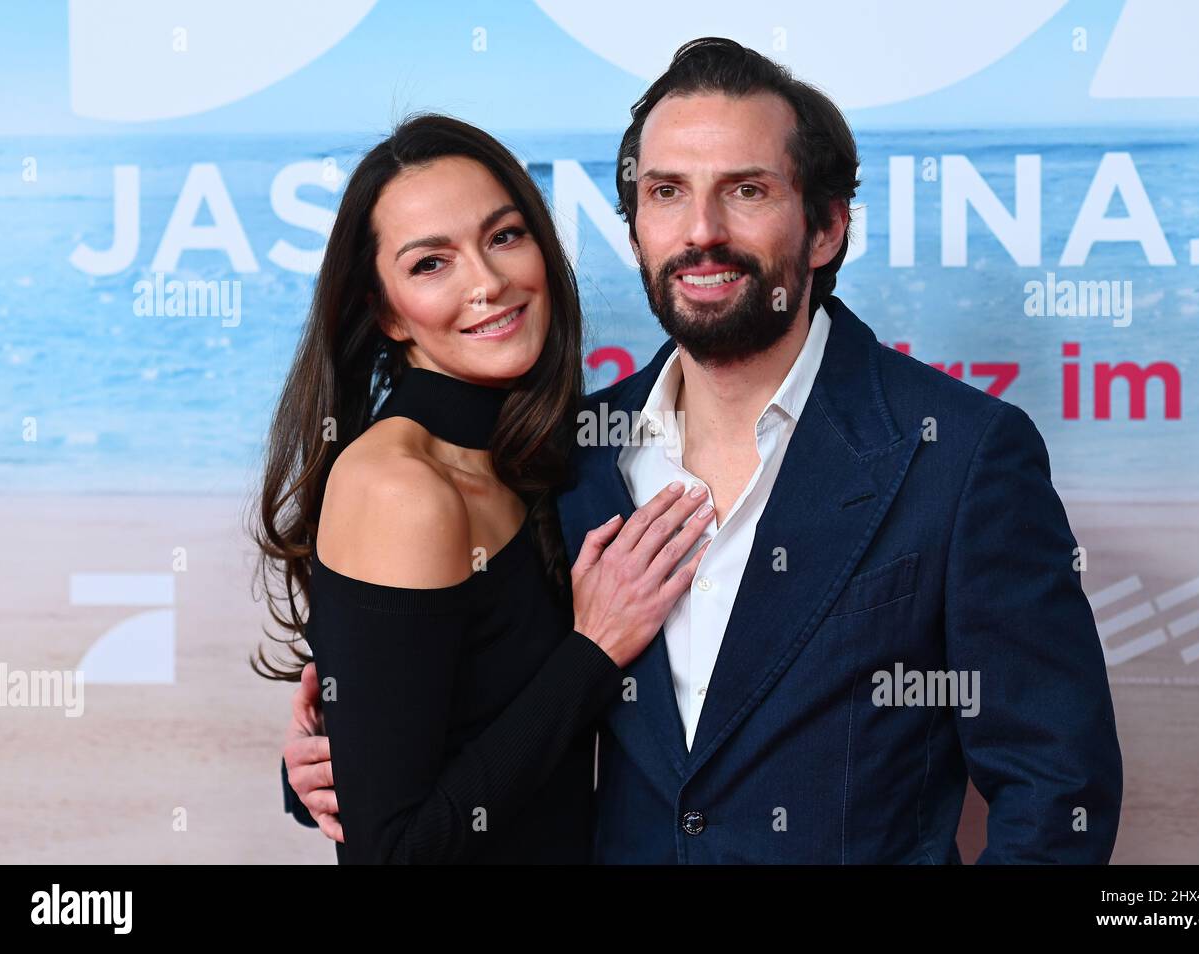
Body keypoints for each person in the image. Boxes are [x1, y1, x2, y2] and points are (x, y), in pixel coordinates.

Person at [286, 38, 1124, 864]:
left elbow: (1058, 793)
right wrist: (323, 761)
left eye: (747, 190)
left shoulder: (962, 457)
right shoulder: (568, 458)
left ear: (826, 227)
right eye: (666, 193)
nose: (702, 231)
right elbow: (470, 700)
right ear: (638, 227)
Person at [253, 114, 712, 863]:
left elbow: (450, 721)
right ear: (386, 313)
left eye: (503, 237)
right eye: (430, 264)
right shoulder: (402, 488)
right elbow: (394, 851)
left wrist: (330, 762)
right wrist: (592, 653)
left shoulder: (543, 447)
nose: (488, 283)